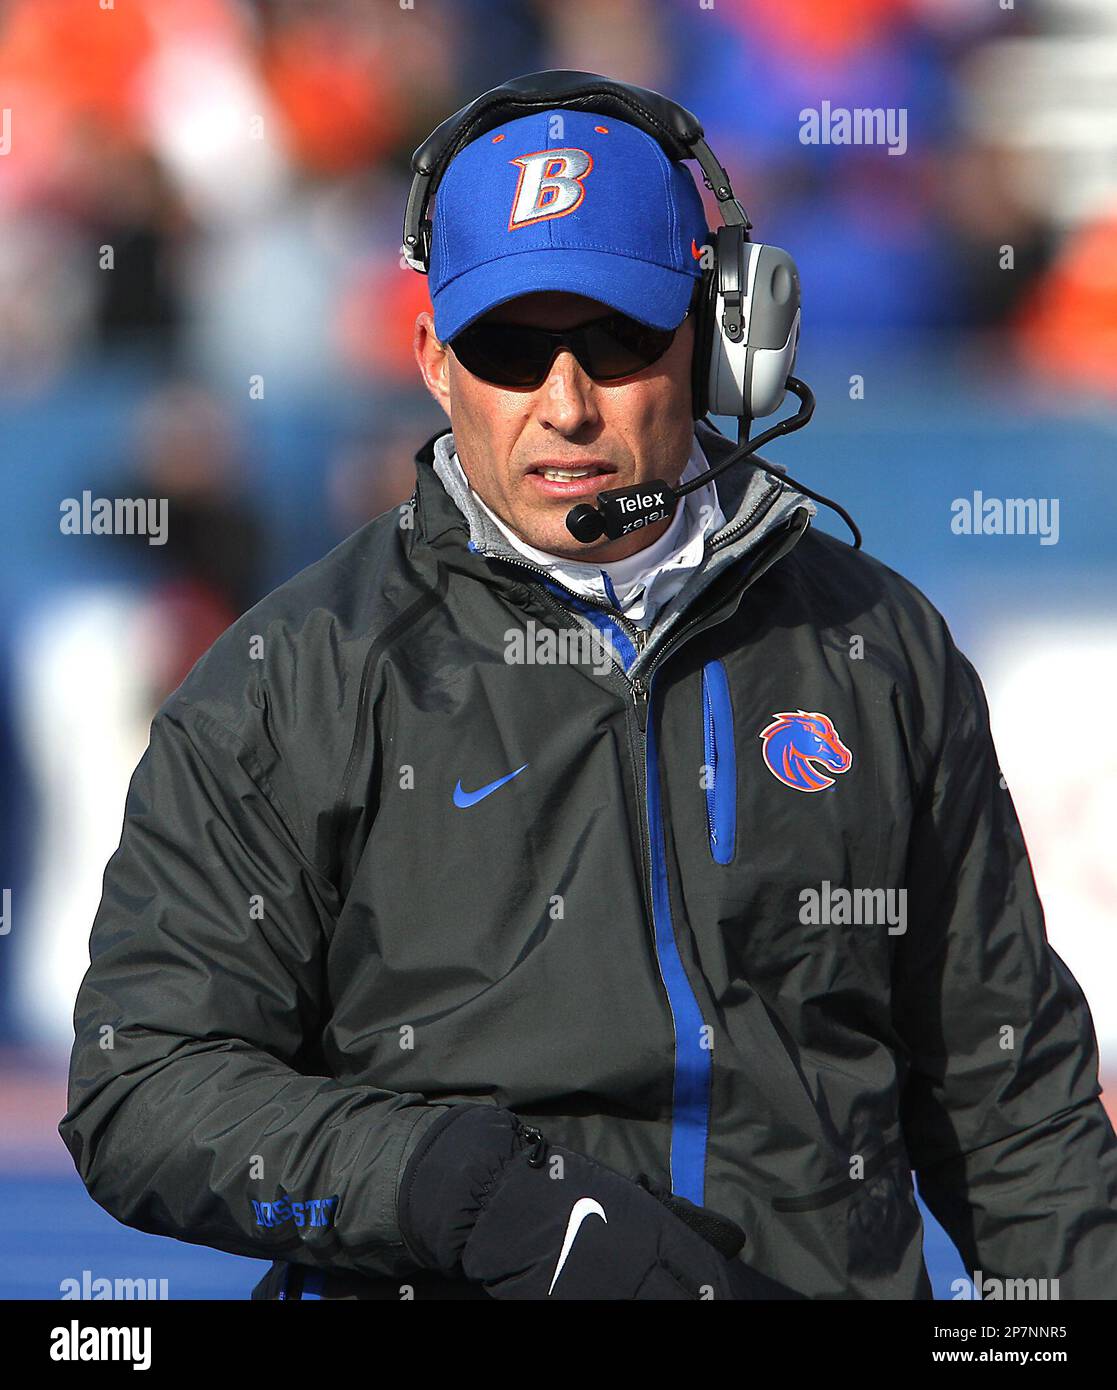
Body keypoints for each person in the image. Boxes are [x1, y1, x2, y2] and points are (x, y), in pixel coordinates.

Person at [60, 74, 1117, 1301]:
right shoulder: (291, 678)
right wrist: (461, 1188)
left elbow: (1012, 1105)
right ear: (432, 361)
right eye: (509, 348)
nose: (563, 403)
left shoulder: (875, 647)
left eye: (613, 337)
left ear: (726, 342)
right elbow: (141, 1085)